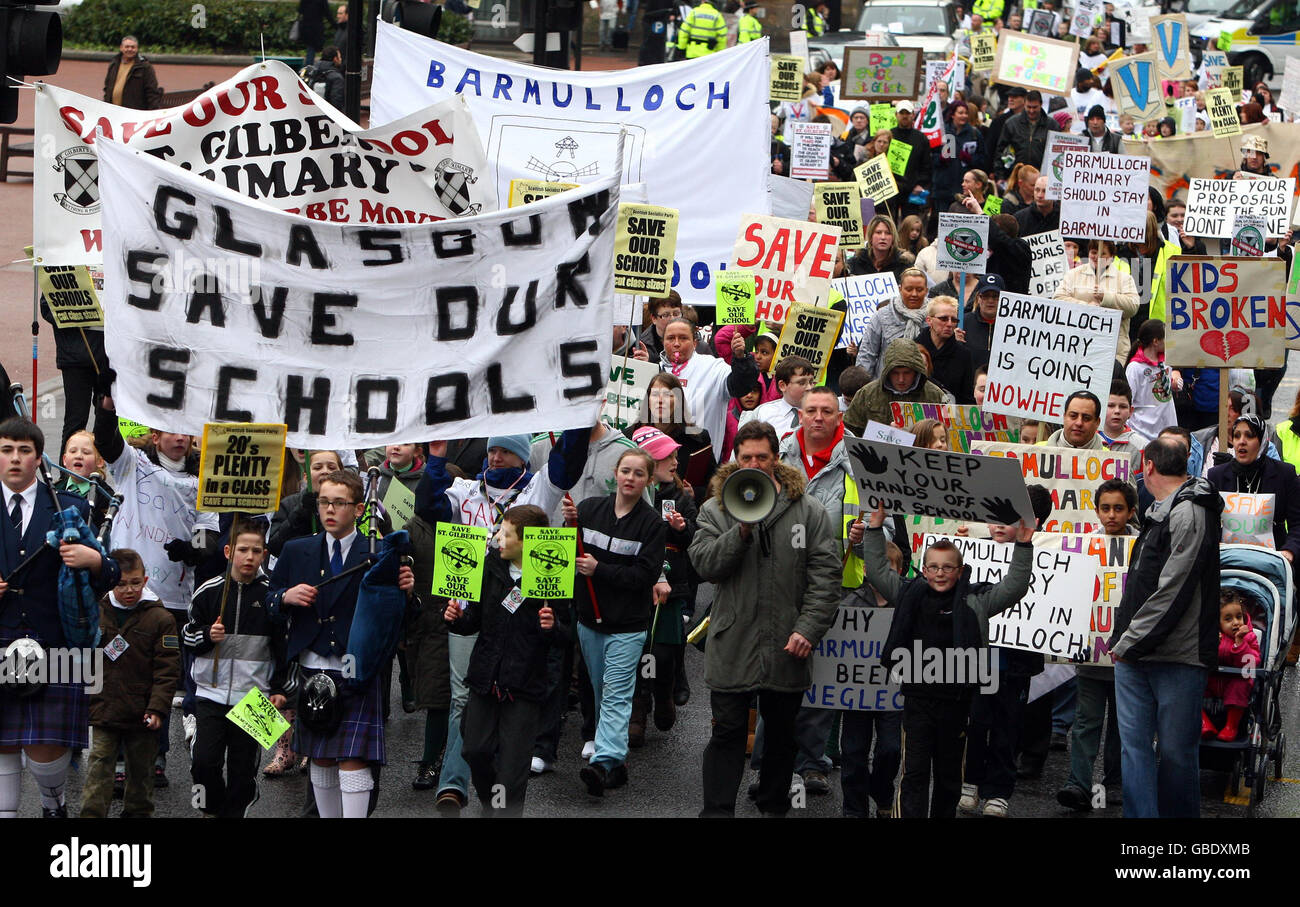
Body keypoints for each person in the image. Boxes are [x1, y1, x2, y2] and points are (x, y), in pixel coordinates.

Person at [691, 421, 840, 817]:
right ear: (736, 460)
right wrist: (739, 532)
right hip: (732, 640)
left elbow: (825, 577)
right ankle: (717, 811)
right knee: (726, 733)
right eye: (746, 457)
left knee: (780, 736)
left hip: (787, 644)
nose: (754, 463)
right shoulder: (716, 508)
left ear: (776, 457)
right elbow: (705, 566)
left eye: (761, 456)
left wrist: (807, 629)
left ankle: (774, 807)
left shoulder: (808, 511)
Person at [861, 502, 1034, 818]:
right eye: (934, 567)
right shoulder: (908, 594)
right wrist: (874, 528)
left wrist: (1023, 545)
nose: (940, 573)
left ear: (960, 570)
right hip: (917, 702)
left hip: (958, 703)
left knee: (949, 779)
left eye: (947, 567)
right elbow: (876, 569)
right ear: (924, 570)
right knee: (913, 775)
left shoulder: (976, 600)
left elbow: (1015, 587)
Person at [268, 470, 417, 819]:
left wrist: (408, 594)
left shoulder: (379, 553)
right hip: (311, 665)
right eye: (323, 502)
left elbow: (402, 619)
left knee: (352, 758)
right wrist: (285, 596)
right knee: (320, 755)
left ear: (359, 508)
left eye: (339, 503)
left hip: (356, 668)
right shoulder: (296, 549)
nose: (329, 509)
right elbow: (269, 603)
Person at [0, 417, 121, 818]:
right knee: (2, 746)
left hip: (55, 642)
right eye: (6, 450)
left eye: (24, 451)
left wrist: (93, 561)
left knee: (45, 751)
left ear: (39, 460)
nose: (15, 459)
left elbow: (112, 576)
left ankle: (54, 804)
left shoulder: (68, 507)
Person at [1109, 437, 1223, 819]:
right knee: (1136, 749)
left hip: (1177, 655)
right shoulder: (1163, 508)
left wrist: (1129, 641)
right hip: (1138, 652)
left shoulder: (1189, 512)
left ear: (1148, 465)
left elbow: (1174, 589)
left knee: (1175, 754)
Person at [444, 504, 569, 816]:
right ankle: (490, 803)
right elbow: (473, 620)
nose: (498, 537)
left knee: (513, 771)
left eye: (506, 533)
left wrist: (553, 627)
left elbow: (568, 635)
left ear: (526, 541)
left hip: (524, 684)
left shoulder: (551, 575)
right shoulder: (489, 566)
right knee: (475, 749)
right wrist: (456, 619)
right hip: (486, 678)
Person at [566, 449, 667, 796]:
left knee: (616, 695)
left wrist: (600, 570)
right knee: (597, 690)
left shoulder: (653, 525)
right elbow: (569, 554)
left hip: (627, 626)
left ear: (648, 481)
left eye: (639, 474)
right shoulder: (589, 509)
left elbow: (643, 575)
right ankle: (617, 764)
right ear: (616, 472)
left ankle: (604, 760)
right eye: (626, 471)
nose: (631, 478)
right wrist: (569, 525)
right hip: (588, 621)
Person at [184, 523, 292, 818]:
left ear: (264, 555)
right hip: (210, 694)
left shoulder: (273, 595)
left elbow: (283, 648)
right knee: (204, 763)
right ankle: (210, 809)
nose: (249, 557)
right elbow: (187, 636)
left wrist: (280, 689)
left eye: (256, 551)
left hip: (254, 698)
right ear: (229, 552)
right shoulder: (208, 591)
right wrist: (207, 635)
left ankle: (235, 812)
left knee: (243, 772)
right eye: (243, 550)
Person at [1057, 478, 1136, 812]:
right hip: (1091, 654)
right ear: (1096, 510)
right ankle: (1078, 784)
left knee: (1122, 726)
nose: (1111, 515)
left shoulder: (1143, 545)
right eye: (1105, 508)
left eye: (1119, 508)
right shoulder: (1084, 544)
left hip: (1128, 657)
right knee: (1086, 722)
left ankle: (1114, 782)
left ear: (1131, 511)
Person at [81, 549, 179, 819]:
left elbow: (167, 669)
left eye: (135, 582)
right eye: (121, 583)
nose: (128, 590)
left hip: (143, 712)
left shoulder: (161, 619)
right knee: (98, 769)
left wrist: (158, 708)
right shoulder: (96, 611)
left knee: (141, 775)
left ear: (145, 580)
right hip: (105, 708)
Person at [627, 427, 697, 746]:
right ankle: (638, 710)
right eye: (667, 455)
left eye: (675, 454)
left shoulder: (682, 495)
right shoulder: (634, 496)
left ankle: (665, 691)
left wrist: (682, 530)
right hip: (641, 585)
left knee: (666, 649)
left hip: (674, 584)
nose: (675, 460)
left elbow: (695, 537)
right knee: (641, 648)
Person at [635, 317, 757, 462]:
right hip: (653, 465)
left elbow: (741, 385)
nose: (676, 343)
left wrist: (741, 358)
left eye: (683, 338)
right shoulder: (653, 369)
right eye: (670, 338)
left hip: (697, 465)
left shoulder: (713, 368)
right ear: (662, 342)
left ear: (695, 342)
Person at [1207, 414, 1300, 560]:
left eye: (1249, 436)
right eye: (1237, 436)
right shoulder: (1216, 475)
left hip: (1273, 560)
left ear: (1262, 441)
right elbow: (1207, 523)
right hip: (1227, 560)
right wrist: (1214, 542)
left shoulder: (1285, 474)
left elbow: (1297, 523)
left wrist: (1289, 551)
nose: (1241, 442)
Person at [1053, 239, 1139, 363]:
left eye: (1102, 254)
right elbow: (1058, 298)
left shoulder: (1124, 279)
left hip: (1113, 351)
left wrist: (1106, 298)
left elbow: (1132, 306)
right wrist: (1086, 308)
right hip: (1078, 348)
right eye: (1094, 252)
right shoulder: (1073, 274)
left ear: (1112, 257)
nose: (1097, 257)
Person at [844, 338, 949, 435]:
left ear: (916, 372)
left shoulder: (936, 396)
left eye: (907, 373)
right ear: (887, 372)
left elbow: (950, 435)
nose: (901, 379)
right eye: (895, 373)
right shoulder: (867, 394)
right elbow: (849, 431)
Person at [1201, 591, 1260, 742]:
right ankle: (1202, 722)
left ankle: (1231, 726)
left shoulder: (1249, 637)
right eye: (1228, 619)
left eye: (1238, 617)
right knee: (1189, 685)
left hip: (1234, 682)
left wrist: (1239, 644)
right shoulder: (1211, 636)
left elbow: (1252, 662)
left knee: (1242, 683)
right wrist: (1212, 644)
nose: (1235, 622)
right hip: (1211, 681)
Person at [854, 266, 928, 379]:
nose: (914, 294)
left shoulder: (936, 314)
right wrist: (862, 387)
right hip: (885, 386)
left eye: (919, 290)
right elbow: (867, 354)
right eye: (908, 289)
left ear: (926, 290)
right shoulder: (882, 316)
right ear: (900, 289)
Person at [738, 356, 816, 440]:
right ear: (782, 385)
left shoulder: (820, 414)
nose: (809, 388)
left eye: (811, 382)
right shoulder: (763, 413)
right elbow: (744, 447)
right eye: (801, 382)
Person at [1126, 319, 1180, 440]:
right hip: (1142, 432)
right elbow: (1129, 400)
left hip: (1167, 431)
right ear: (1155, 341)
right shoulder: (1135, 367)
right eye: (1166, 337)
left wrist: (1174, 383)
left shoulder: (1166, 361)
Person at [915, 296, 975, 404]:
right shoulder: (913, 349)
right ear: (929, 320)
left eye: (954, 320)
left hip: (951, 417)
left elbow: (967, 398)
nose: (949, 324)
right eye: (943, 319)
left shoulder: (963, 355)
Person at [891, 101, 934, 221]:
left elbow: (927, 166)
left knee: (910, 226)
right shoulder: (890, 135)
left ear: (913, 115)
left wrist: (920, 184)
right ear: (896, 115)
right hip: (891, 188)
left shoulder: (921, 138)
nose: (904, 116)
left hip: (913, 190)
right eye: (901, 113)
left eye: (907, 113)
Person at [995, 90, 1049, 178]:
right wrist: (1000, 175)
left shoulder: (1052, 125)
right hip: (1015, 176)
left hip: (1041, 177)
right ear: (1024, 104)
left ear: (1041, 104)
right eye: (1029, 107)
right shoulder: (1011, 124)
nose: (1031, 111)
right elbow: (1000, 150)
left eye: (1035, 107)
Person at [848, 216, 916, 283]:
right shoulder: (855, 262)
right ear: (870, 236)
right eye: (878, 232)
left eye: (888, 233)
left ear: (893, 238)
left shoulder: (904, 264)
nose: (883, 237)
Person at [102, 36, 161, 109]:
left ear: (137, 49)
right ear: (121, 48)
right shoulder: (114, 64)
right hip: (113, 111)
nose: (130, 49)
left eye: (133, 47)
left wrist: (153, 112)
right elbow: (107, 87)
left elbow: (152, 92)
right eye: (127, 47)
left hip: (134, 112)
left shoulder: (145, 67)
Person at [298, 0, 334, 66]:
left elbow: (300, 10)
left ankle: (308, 68)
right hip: (316, 28)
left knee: (310, 49)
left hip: (306, 27)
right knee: (312, 50)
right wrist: (335, 25)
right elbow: (327, 12)